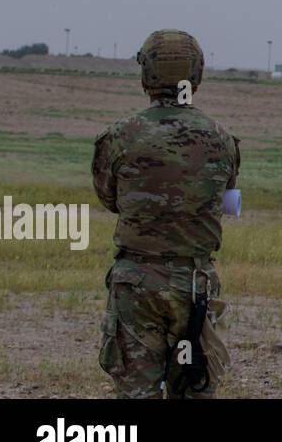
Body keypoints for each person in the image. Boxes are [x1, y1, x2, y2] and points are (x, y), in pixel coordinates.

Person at [92, 29, 239, 398]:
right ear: (197, 76)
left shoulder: (121, 136)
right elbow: (226, 201)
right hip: (195, 284)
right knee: (195, 386)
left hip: (137, 283)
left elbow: (110, 198)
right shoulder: (221, 139)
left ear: (147, 77)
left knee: (136, 392)